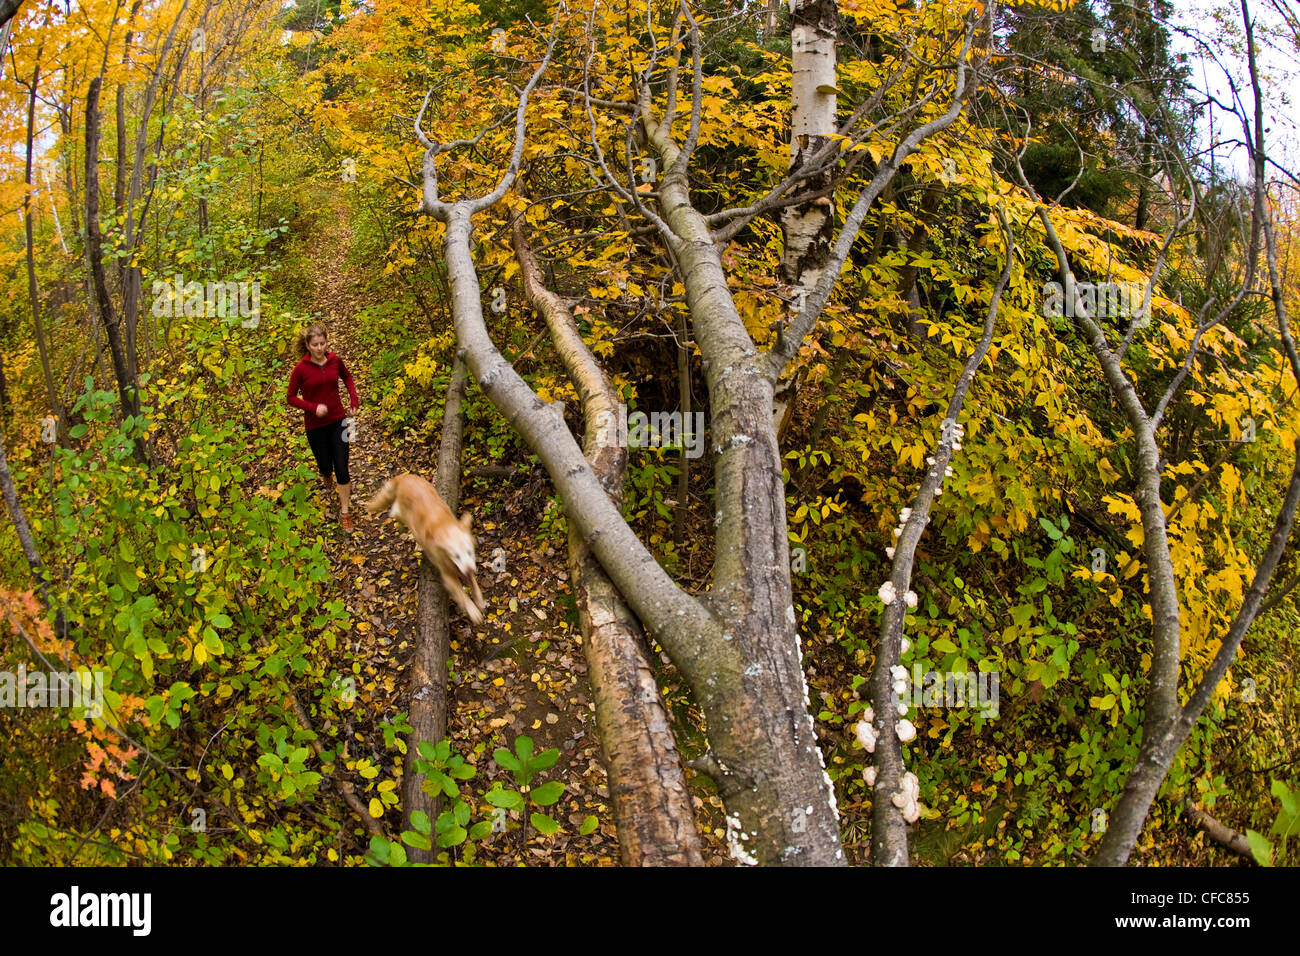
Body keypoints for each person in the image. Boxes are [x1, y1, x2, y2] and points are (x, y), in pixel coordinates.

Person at [287, 324, 360, 532]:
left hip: (340, 420)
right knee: (325, 466)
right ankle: (326, 473)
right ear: (308, 346)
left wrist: (353, 400)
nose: (319, 348)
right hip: (315, 426)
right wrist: (312, 407)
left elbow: (347, 377)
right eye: (315, 344)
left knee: (342, 466)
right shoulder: (300, 369)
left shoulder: (335, 360)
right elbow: (290, 397)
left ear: (326, 342)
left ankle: (345, 512)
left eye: (322, 343)